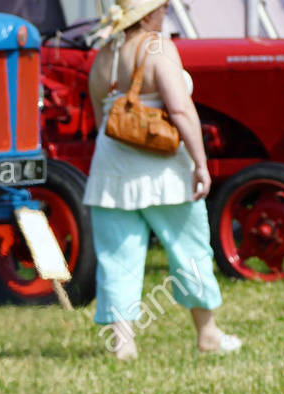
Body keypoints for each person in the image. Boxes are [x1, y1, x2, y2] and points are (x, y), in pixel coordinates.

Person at [83, 0, 240, 360]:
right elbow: (181, 110)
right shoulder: (159, 48)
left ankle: (123, 344)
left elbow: (100, 119)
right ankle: (208, 333)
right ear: (148, 14)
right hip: (165, 170)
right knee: (191, 253)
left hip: (111, 172)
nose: (166, 11)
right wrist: (201, 163)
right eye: (163, 6)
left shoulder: (104, 56)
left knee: (118, 258)